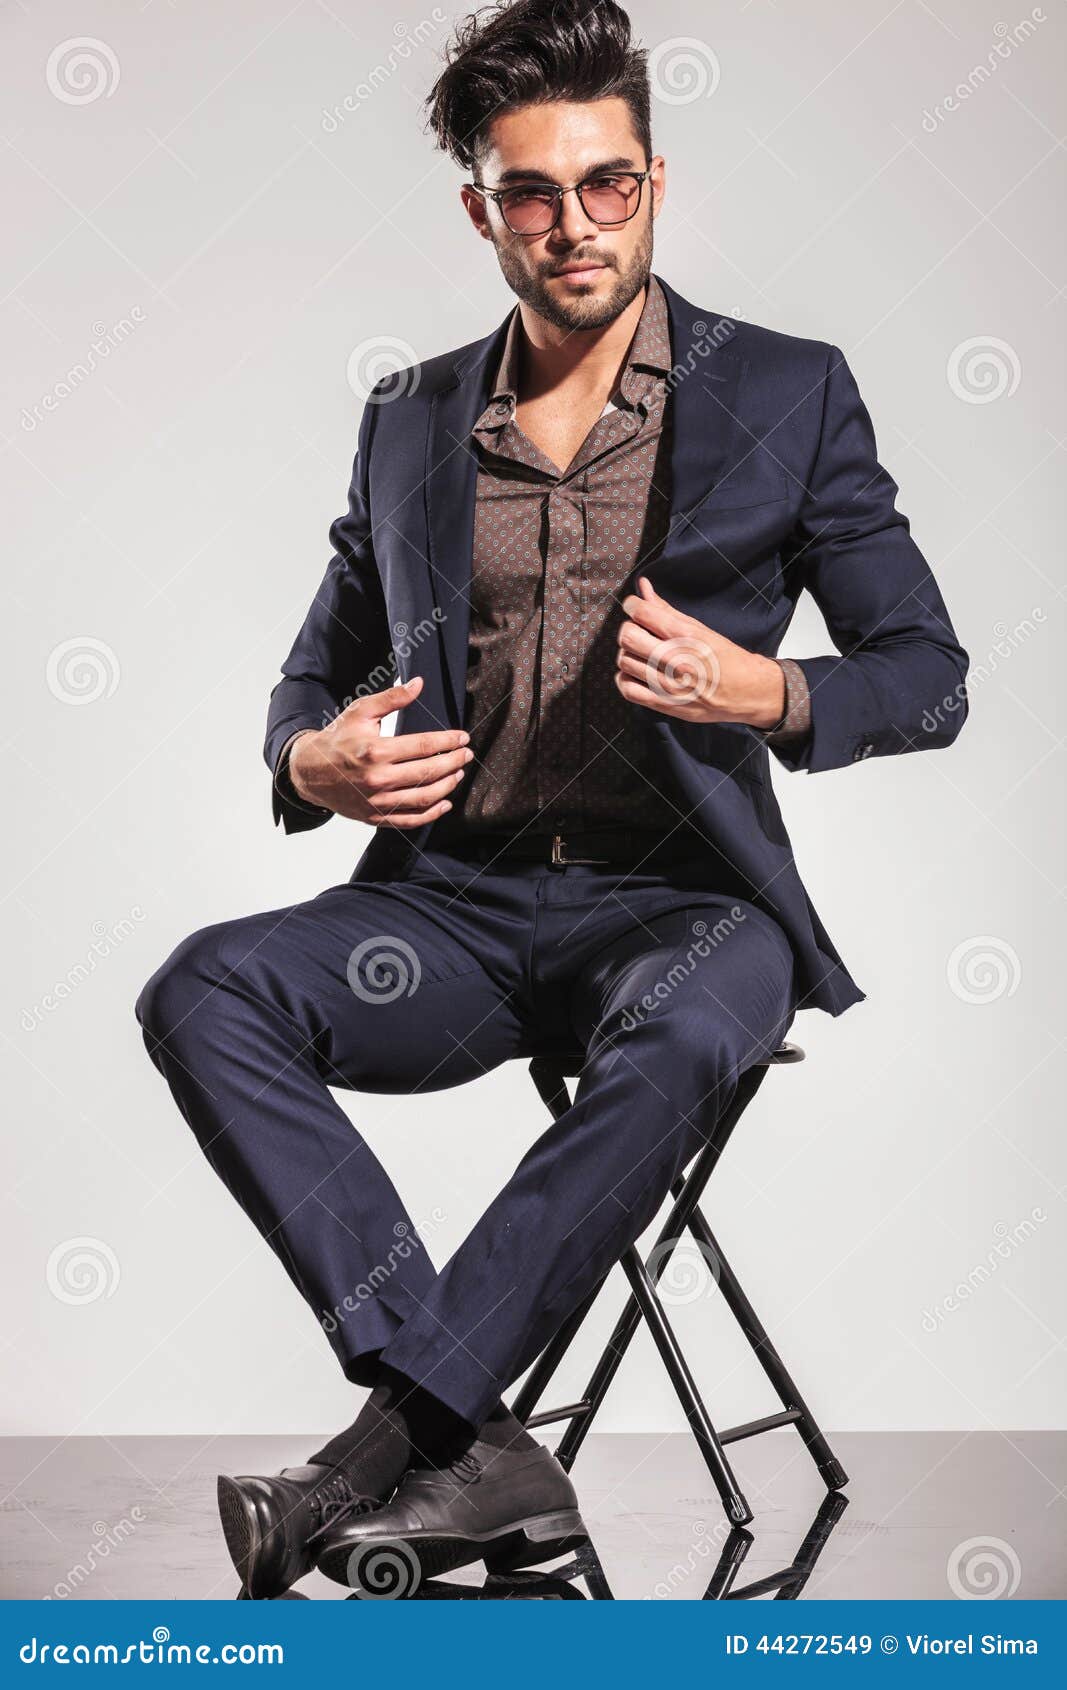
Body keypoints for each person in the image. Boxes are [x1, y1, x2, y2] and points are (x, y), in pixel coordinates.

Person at [135, 0, 968, 1598]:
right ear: (481, 208)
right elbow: (311, 685)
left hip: (681, 907)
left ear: (658, 180)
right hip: (445, 914)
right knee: (203, 989)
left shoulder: (785, 391)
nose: (573, 224)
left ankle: (380, 1457)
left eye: (607, 185)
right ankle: (477, 1445)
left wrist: (770, 691)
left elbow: (927, 670)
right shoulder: (410, 415)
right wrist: (309, 759)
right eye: (533, 192)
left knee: (678, 1030)